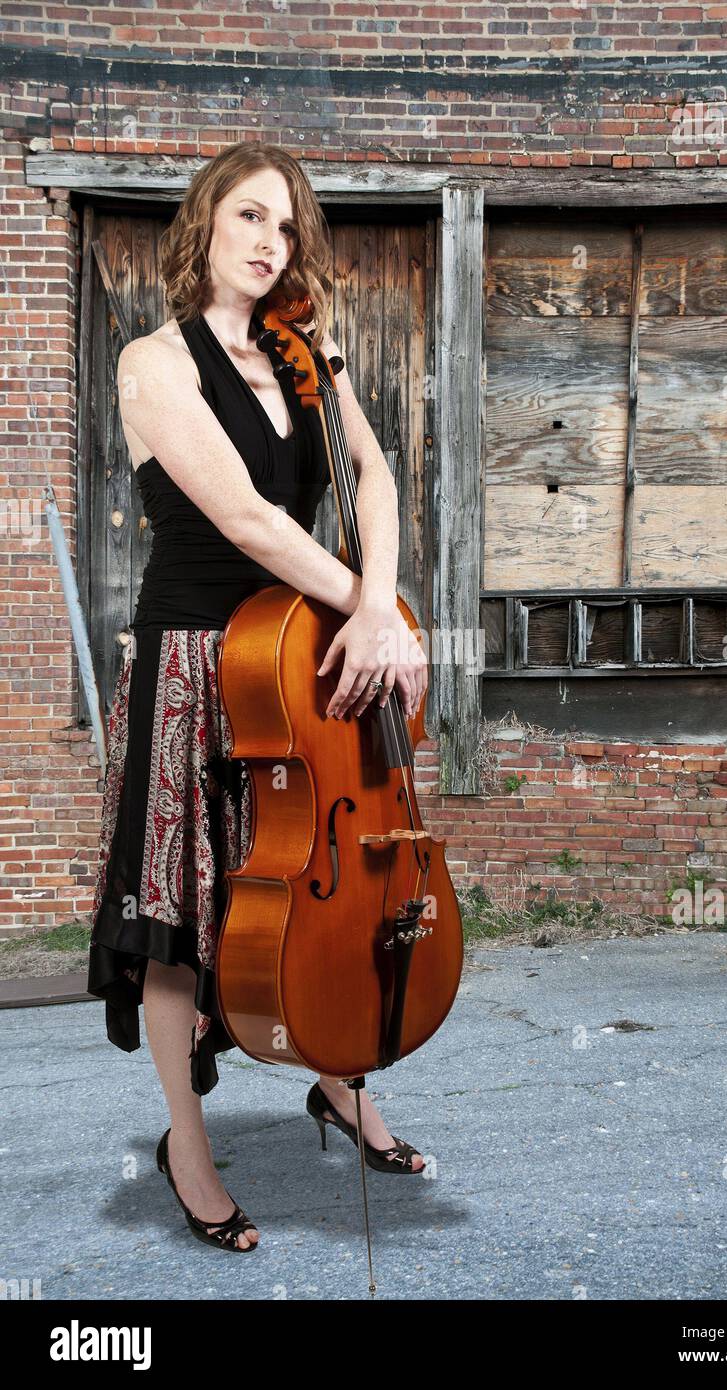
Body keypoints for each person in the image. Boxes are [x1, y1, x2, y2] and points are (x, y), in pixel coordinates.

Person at [87, 142, 429, 1253]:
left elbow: (373, 477)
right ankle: (189, 1143)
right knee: (185, 920)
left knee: (303, 894)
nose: (267, 240)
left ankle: (337, 1081)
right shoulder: (153, 363)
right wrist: (366, 610)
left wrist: (375, 602)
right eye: (246, 215)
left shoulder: (307, 356)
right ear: (205, 228)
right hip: (195, 666)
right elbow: (245, 521)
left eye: (285, 226)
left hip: (296, 661)